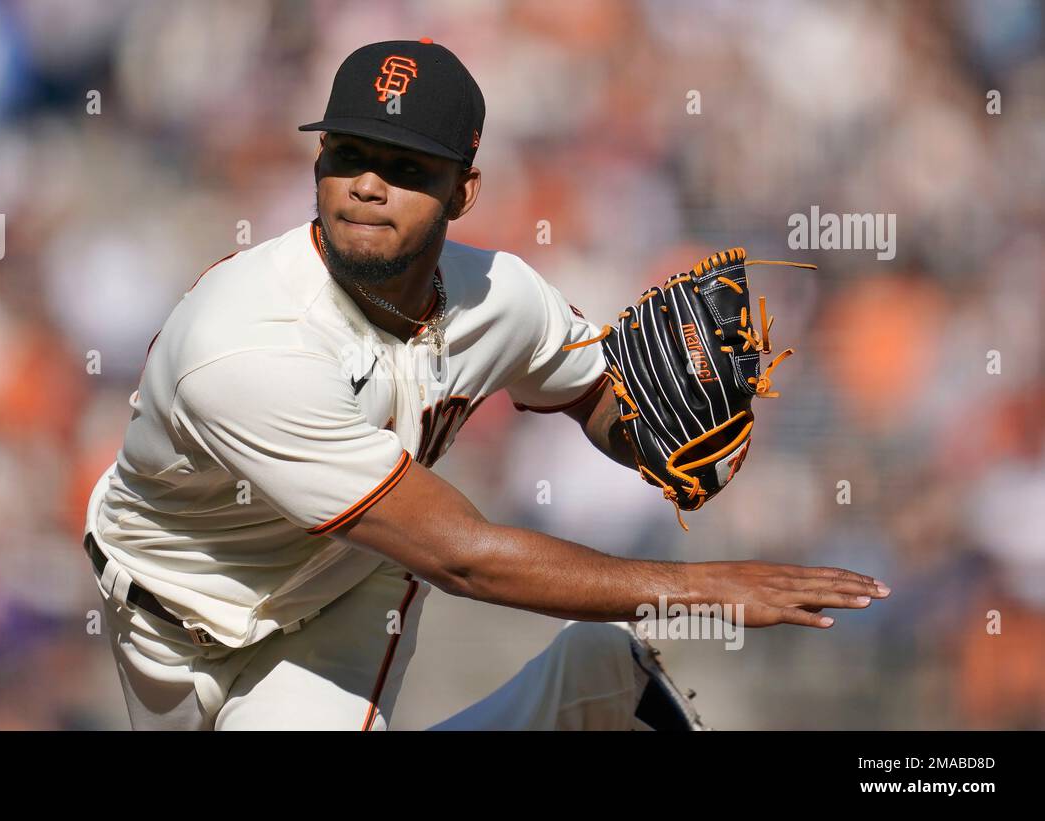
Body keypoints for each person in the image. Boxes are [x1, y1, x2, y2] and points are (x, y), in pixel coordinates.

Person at [83, 38, 889, 730]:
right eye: (348, 155)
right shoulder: (247, 340)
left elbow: (594, 394)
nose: (367, 184)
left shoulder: (501, 295)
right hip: (163, 613)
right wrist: (695, 590)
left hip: (347, 585)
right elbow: (461, 557)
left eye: (404, 167)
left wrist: (661, 436)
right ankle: (587, 692)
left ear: (463, 190)